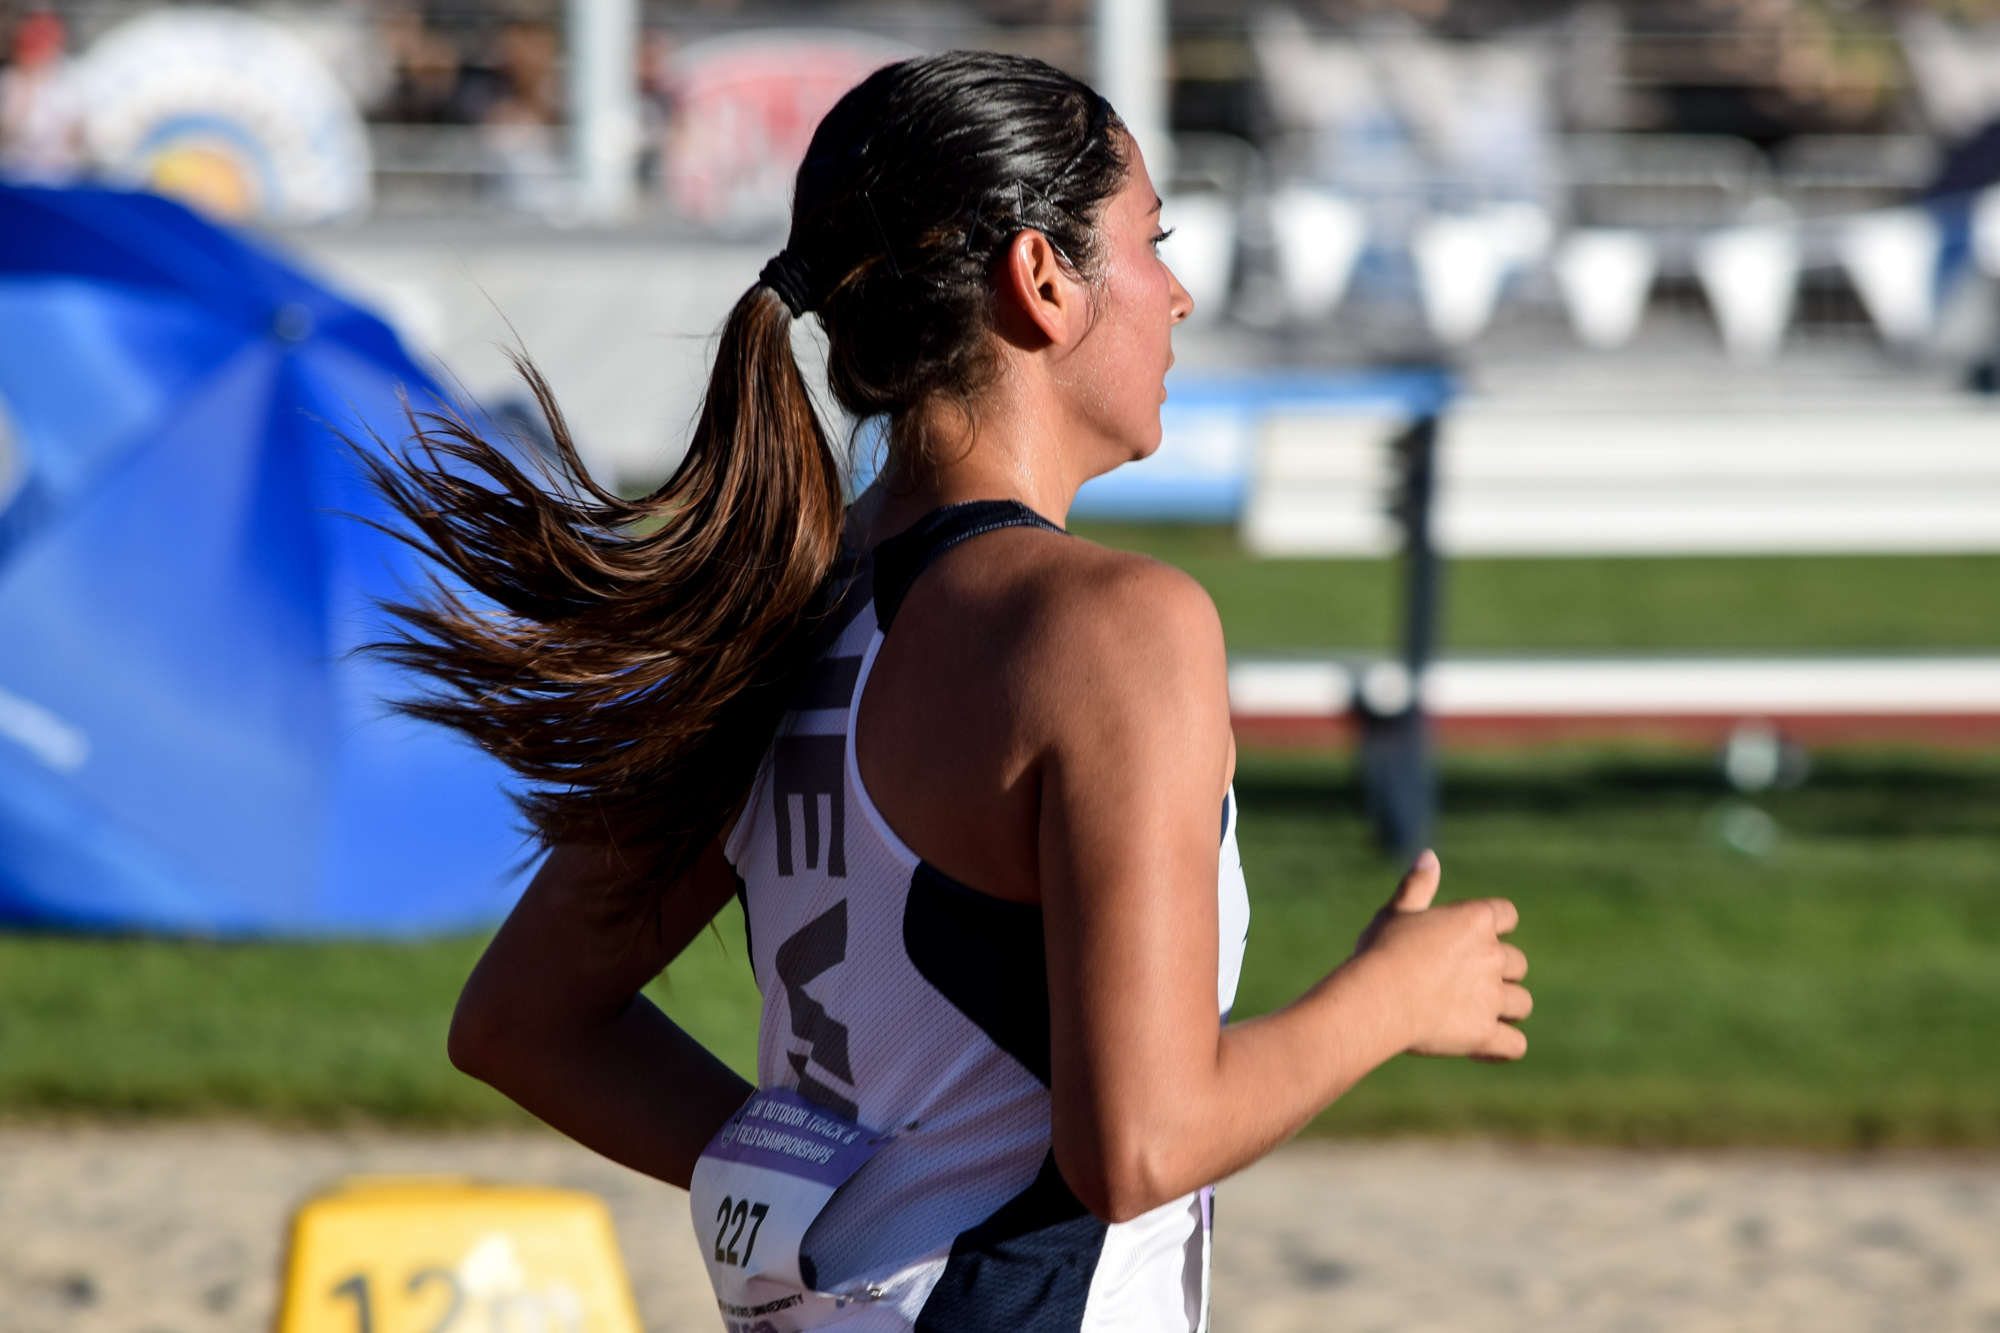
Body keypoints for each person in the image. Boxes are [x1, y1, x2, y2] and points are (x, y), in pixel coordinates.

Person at [372, 50, 1528, 1333]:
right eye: (1152, 239)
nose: (1179, 294)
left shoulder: (774, 602)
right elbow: (1138, 1146)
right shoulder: (1110, 628)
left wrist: (843, 1199)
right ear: (1041, 280)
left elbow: (521, 1023)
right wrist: (1389, 998)